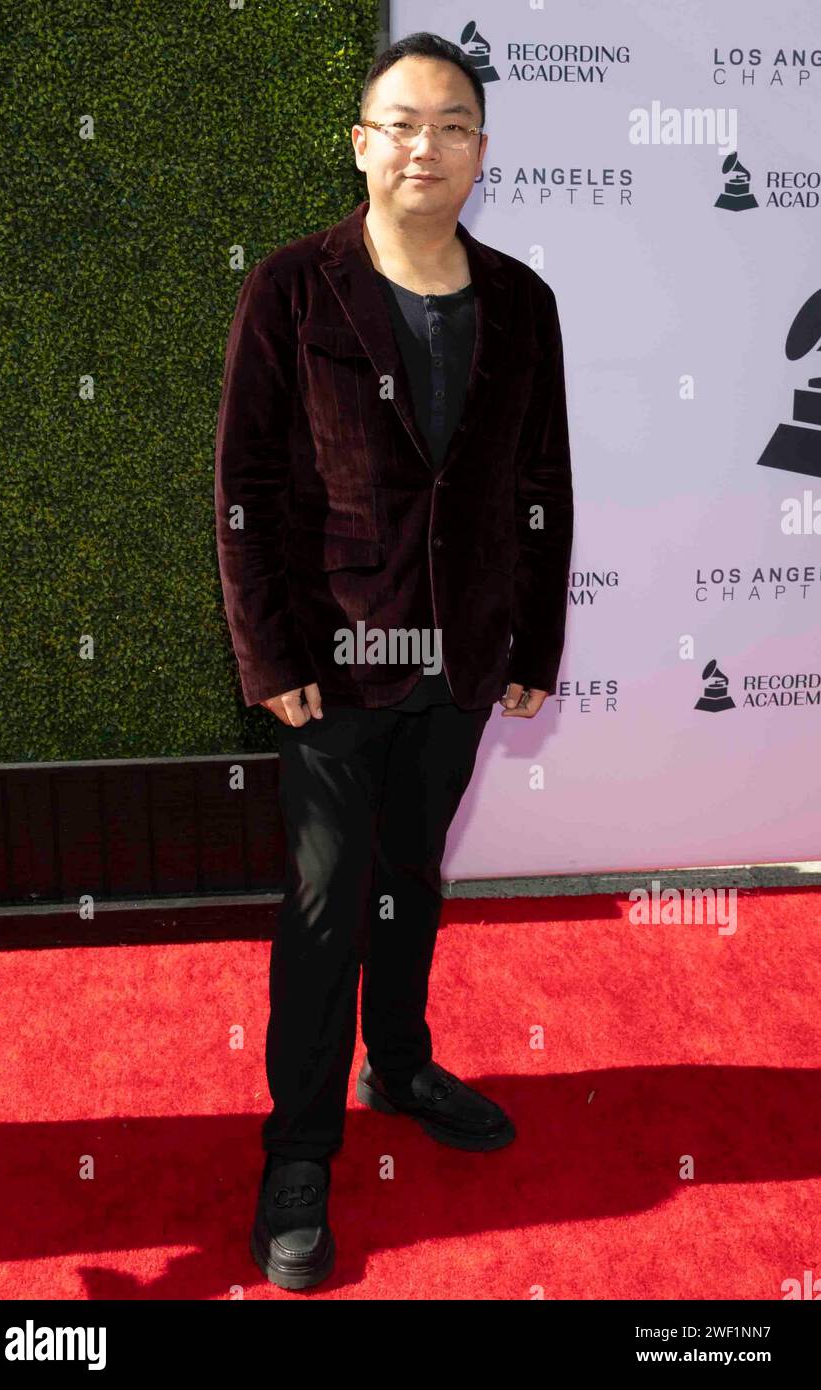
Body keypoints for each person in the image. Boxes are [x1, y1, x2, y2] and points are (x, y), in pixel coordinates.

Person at [214, 30, 574, 1291]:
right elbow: (244, 484)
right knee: (323, 907)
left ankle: (401, 1062)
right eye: (402, 123)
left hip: (463, 655)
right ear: (362, 144)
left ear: (482, 151)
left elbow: (541, 484)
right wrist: (267, 648)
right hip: (332, 657)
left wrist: (535, 637)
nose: (428, 145)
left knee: (412, 871)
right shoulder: (291, 289)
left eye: (454, 125)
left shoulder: (523, 302)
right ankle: (299, 1151)